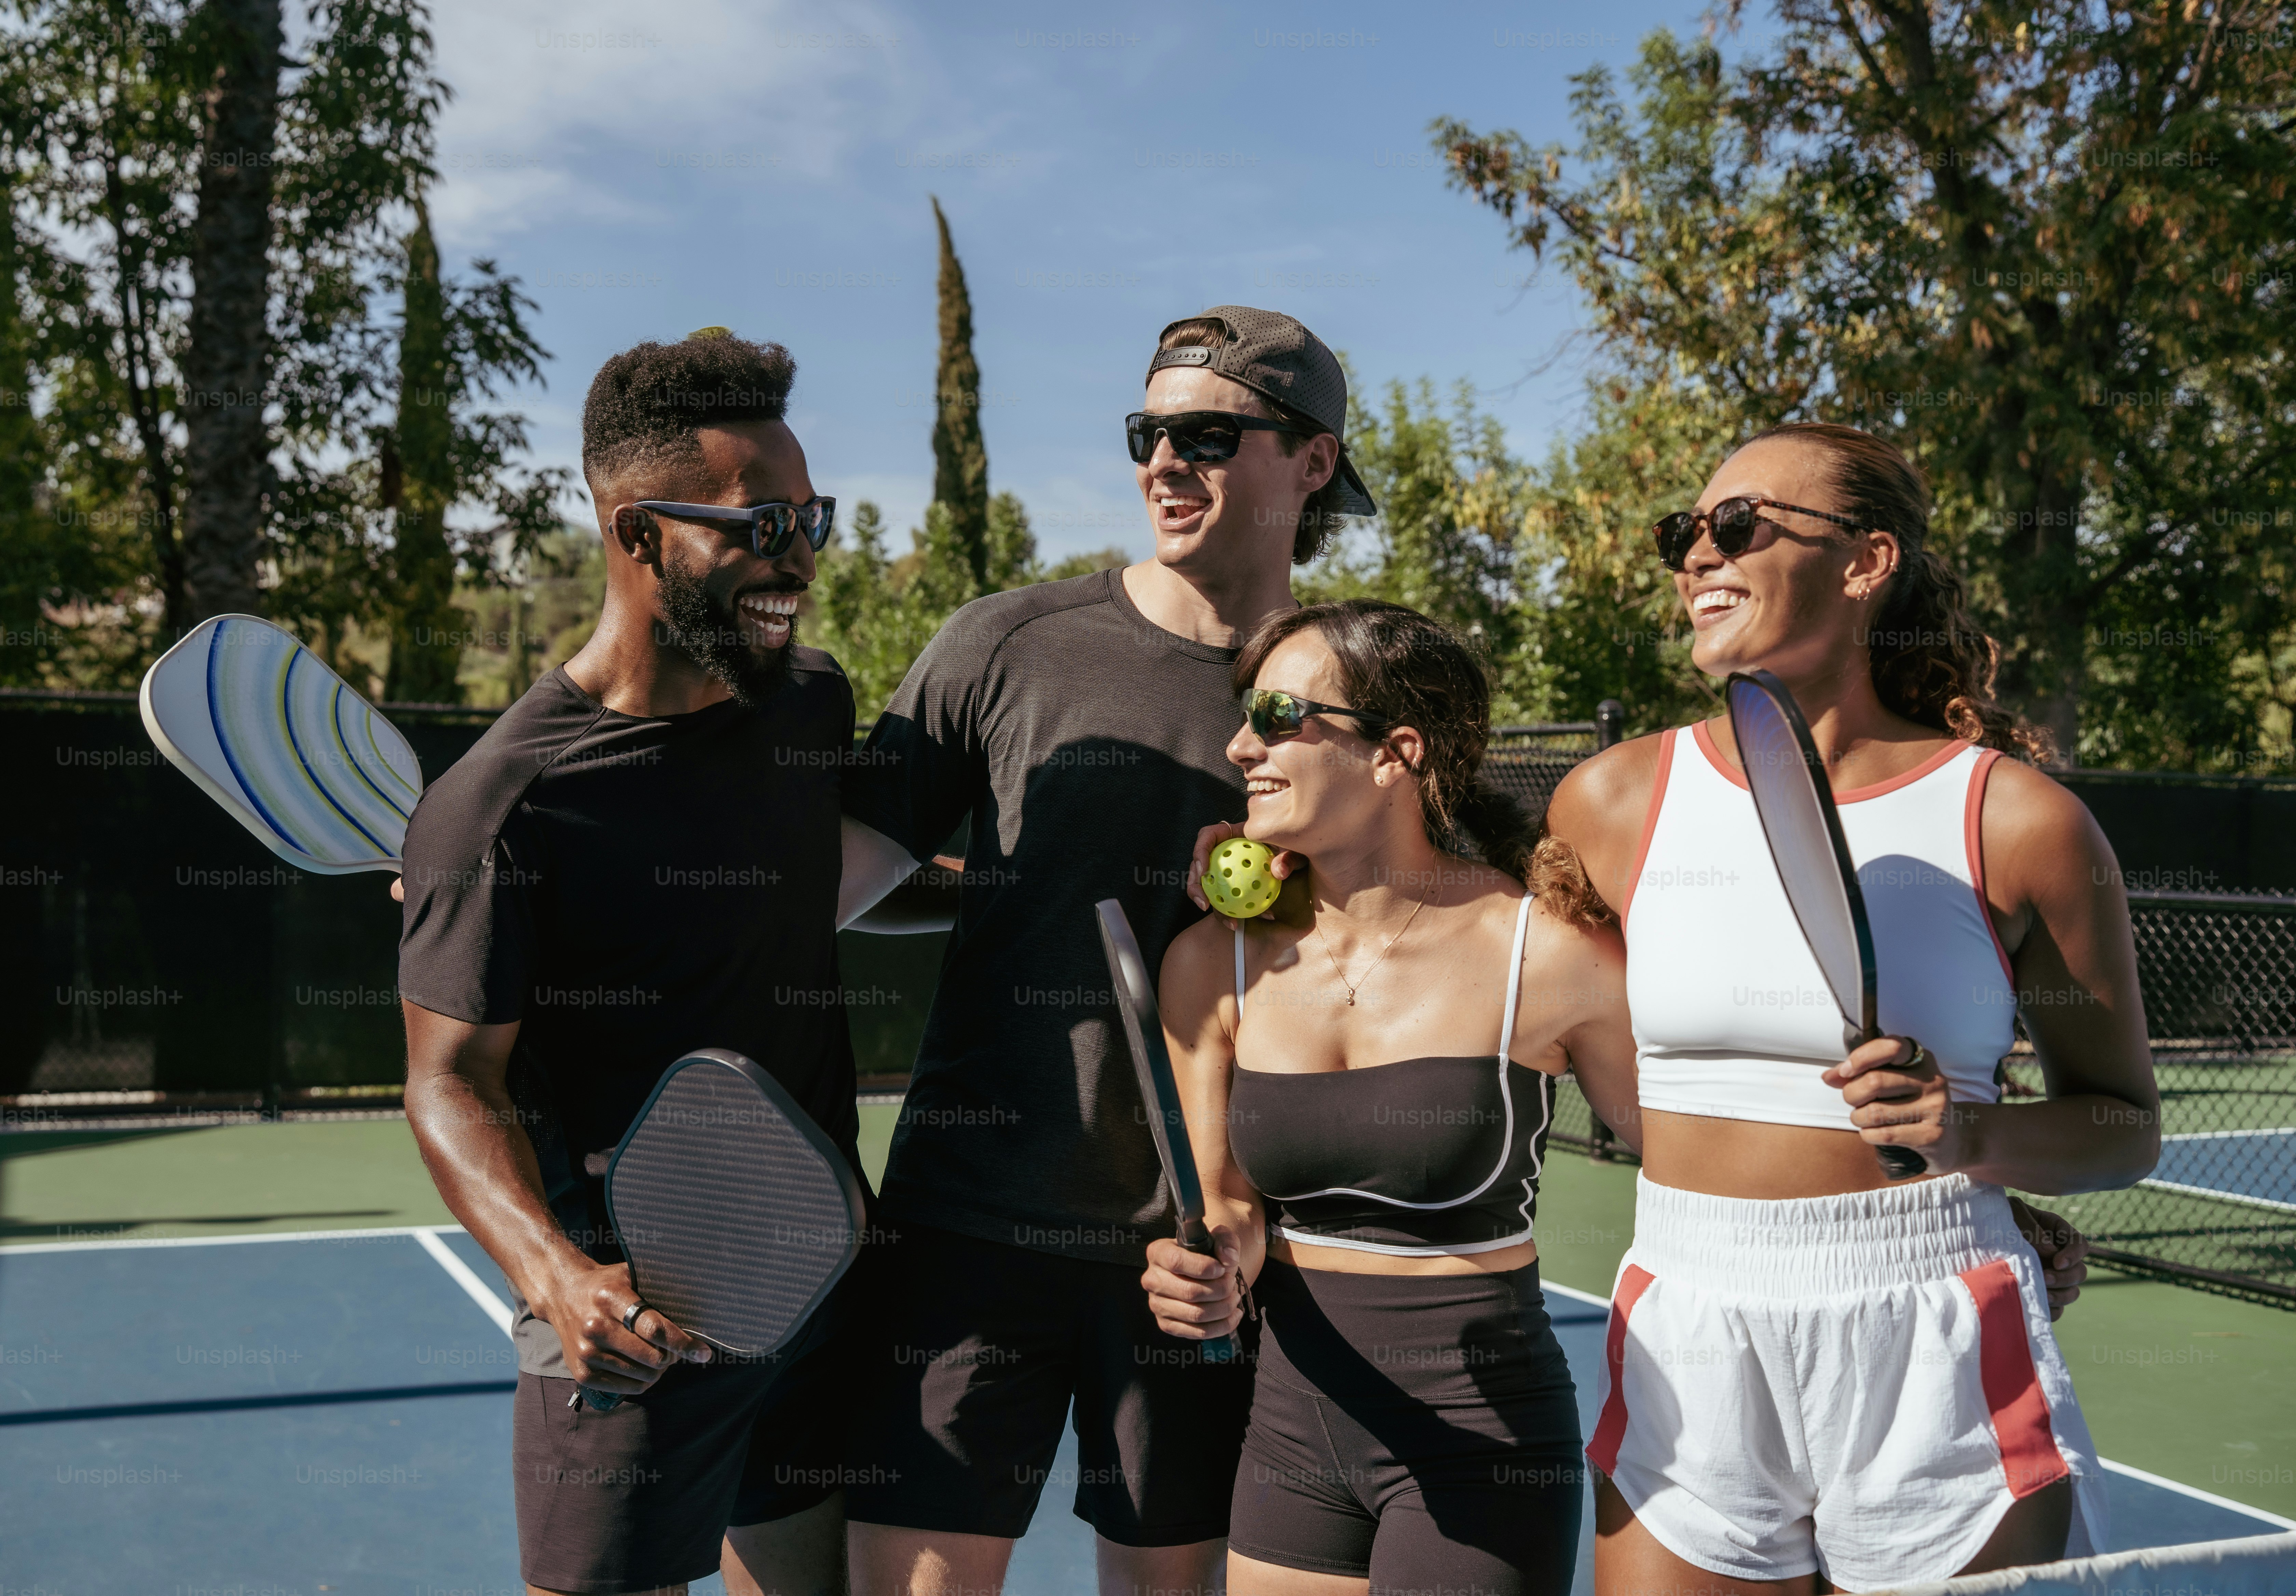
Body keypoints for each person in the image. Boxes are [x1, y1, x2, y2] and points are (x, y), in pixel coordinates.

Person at [1534, 422, 2158, 1592]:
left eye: (1737, 527)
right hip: (1687, 1310)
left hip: (1935, 1322)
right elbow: (1531, 1037)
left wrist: (1972, 1142)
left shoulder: (2020, 822)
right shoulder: (1609, 801)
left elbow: (2125, 1125)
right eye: (1686, 534)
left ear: (1866, 562)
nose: (1698, 558)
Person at [831, 307, 1379, 1596]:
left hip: (1205, 1259)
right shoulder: (1009, 641)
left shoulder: (1353, 689)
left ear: (1311, 464)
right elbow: (821, 883)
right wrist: (544, 890)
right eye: (1148, 433)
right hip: (969, 1233)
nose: (1163, 463)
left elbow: (1405, 933)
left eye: (1206, 434)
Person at [397, 330, 870, 1596]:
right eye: (761, 524)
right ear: (637, 531)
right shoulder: (500, 804)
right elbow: (449, 1081)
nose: (801, 559)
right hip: (633, 1317)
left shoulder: (812, 706)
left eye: (811, 516)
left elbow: (842, 883)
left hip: (817, 1273)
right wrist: (557, 1278)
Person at [1139, 600, 1642, 1596]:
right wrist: (1208, 1271)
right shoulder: (1211, 962)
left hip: (1484, 1439)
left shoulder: (1549, 952)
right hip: (1294, 1427)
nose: (1241, 746)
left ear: (1393, 753)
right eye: (1246, 717)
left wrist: (1973, 1206)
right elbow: (1230, 1205)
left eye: (1279, 716)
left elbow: (1693, 1154)